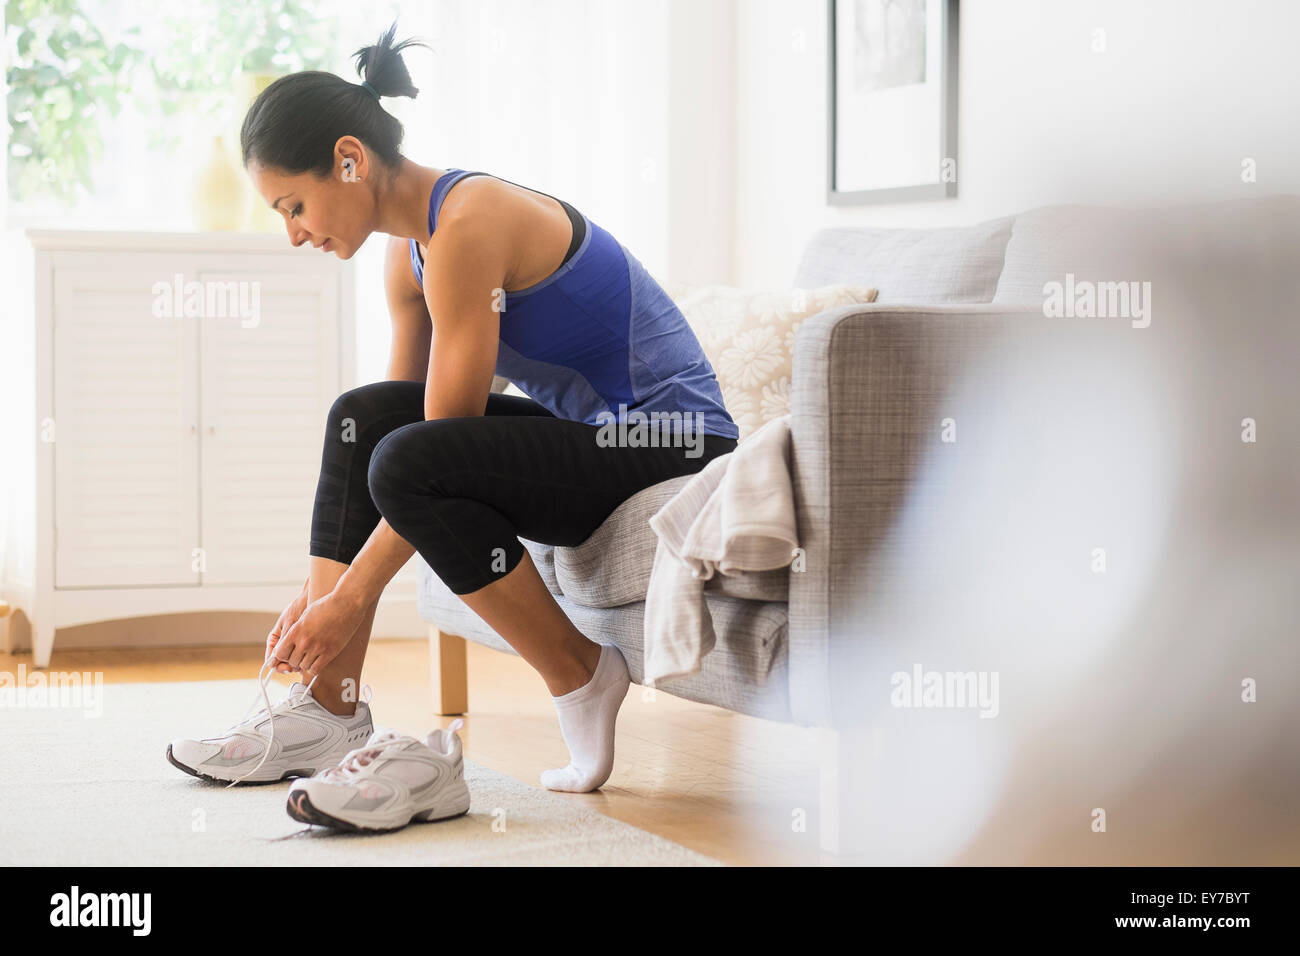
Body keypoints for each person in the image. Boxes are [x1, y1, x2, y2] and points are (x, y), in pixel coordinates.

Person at [166, 23, 738, 797]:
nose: (294, 234)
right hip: (590, 441)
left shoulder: (470, 223)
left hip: (673, 439)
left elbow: (436, 446)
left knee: (411, 458)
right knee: (360, 418)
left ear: (349, 159)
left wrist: (347, 598)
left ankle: (580, 674)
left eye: (294, 205)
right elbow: (391, 432)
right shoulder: (408, 259)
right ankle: (328, 703)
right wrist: (319, 595)